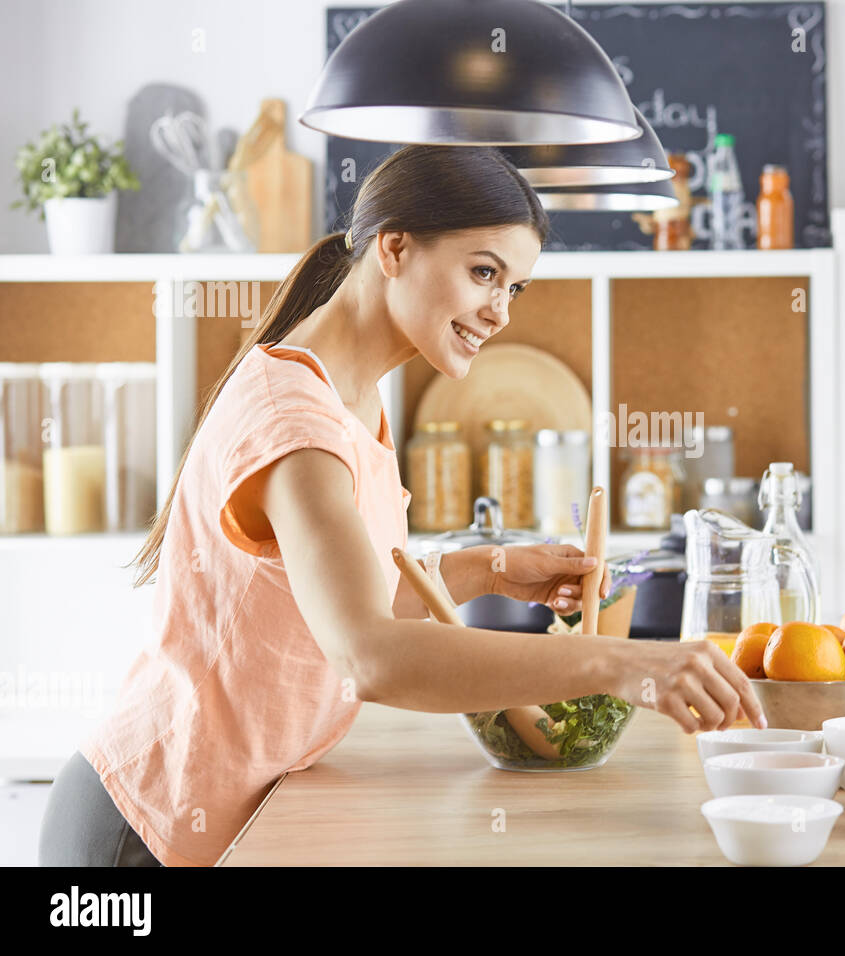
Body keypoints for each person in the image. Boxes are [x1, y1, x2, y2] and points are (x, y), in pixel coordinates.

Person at [37, 145, 764, 867]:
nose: (500, 311)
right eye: (484, 272)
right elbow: (369, 656)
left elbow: (344, 604)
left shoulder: (352, 399)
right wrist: (621, 664)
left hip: (234, 815)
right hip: (143, 828)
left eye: (515, 288)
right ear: (393, 248)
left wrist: (490, 569)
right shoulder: (295, 424)